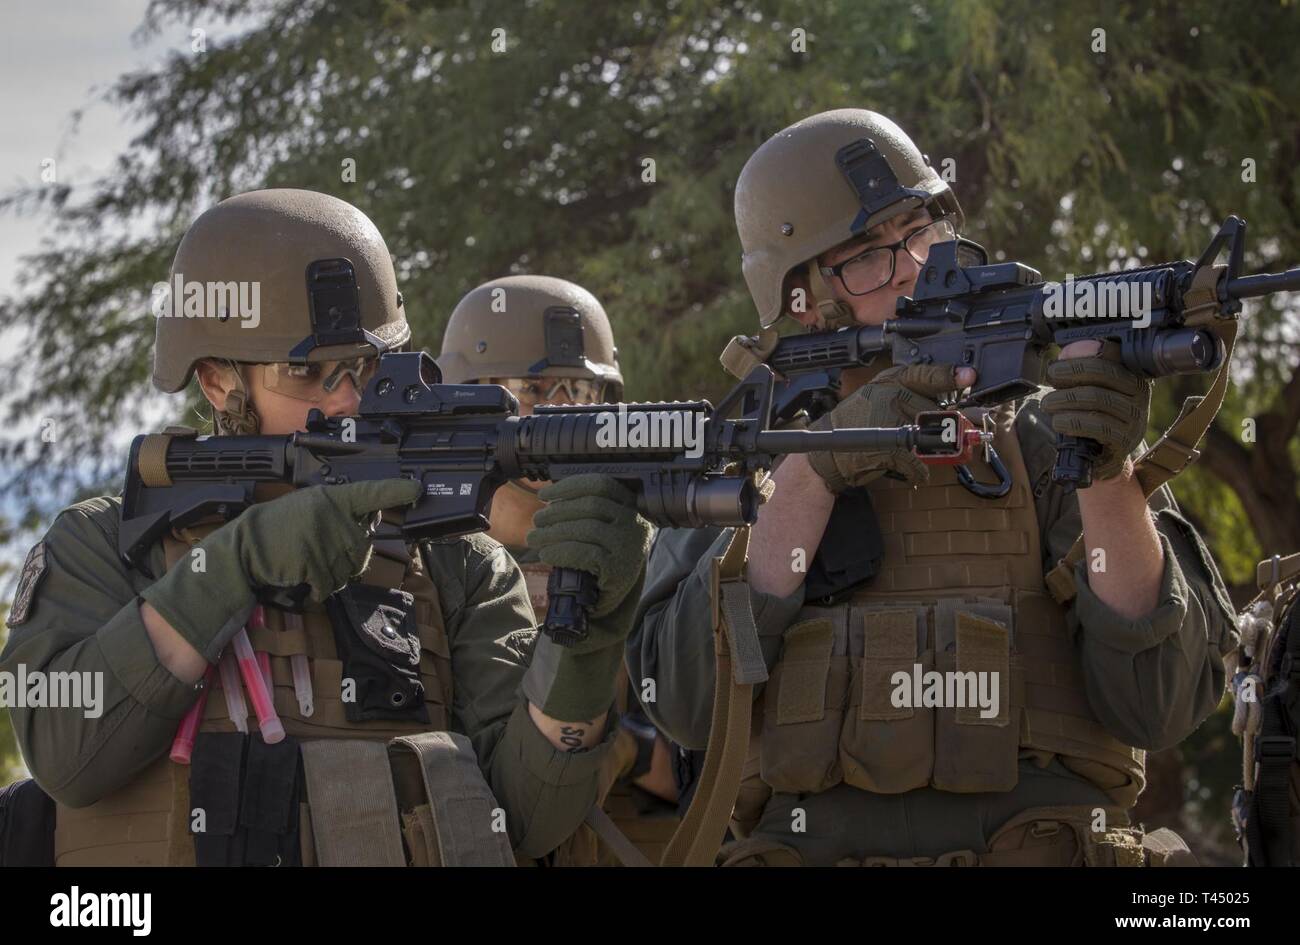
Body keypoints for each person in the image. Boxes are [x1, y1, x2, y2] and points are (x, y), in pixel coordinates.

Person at [628, 109, 1240, 867]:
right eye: (866, 256)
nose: (914, 267)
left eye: (920, 230)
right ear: (803, 300)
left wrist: (1106, 467)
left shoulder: (1052, 439)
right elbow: (687, 705)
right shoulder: (743, 462)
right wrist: (815, 473)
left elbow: (1162, 703)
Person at [0, 188, 649, 866]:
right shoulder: (106, 543)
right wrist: (233, 566)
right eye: (308, 371)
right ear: (219, 382)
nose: (346, 399)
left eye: (364, 368)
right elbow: (65, 757)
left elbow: (527, 821)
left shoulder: (459, 563)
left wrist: (588, 643)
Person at [438, 275, 680, 865]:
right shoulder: (423, 569)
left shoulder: (649, 555)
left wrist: (634, 753)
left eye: (579, 389)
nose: (562, 412)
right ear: (466, 403)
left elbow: (710, 763)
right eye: (531, 387)